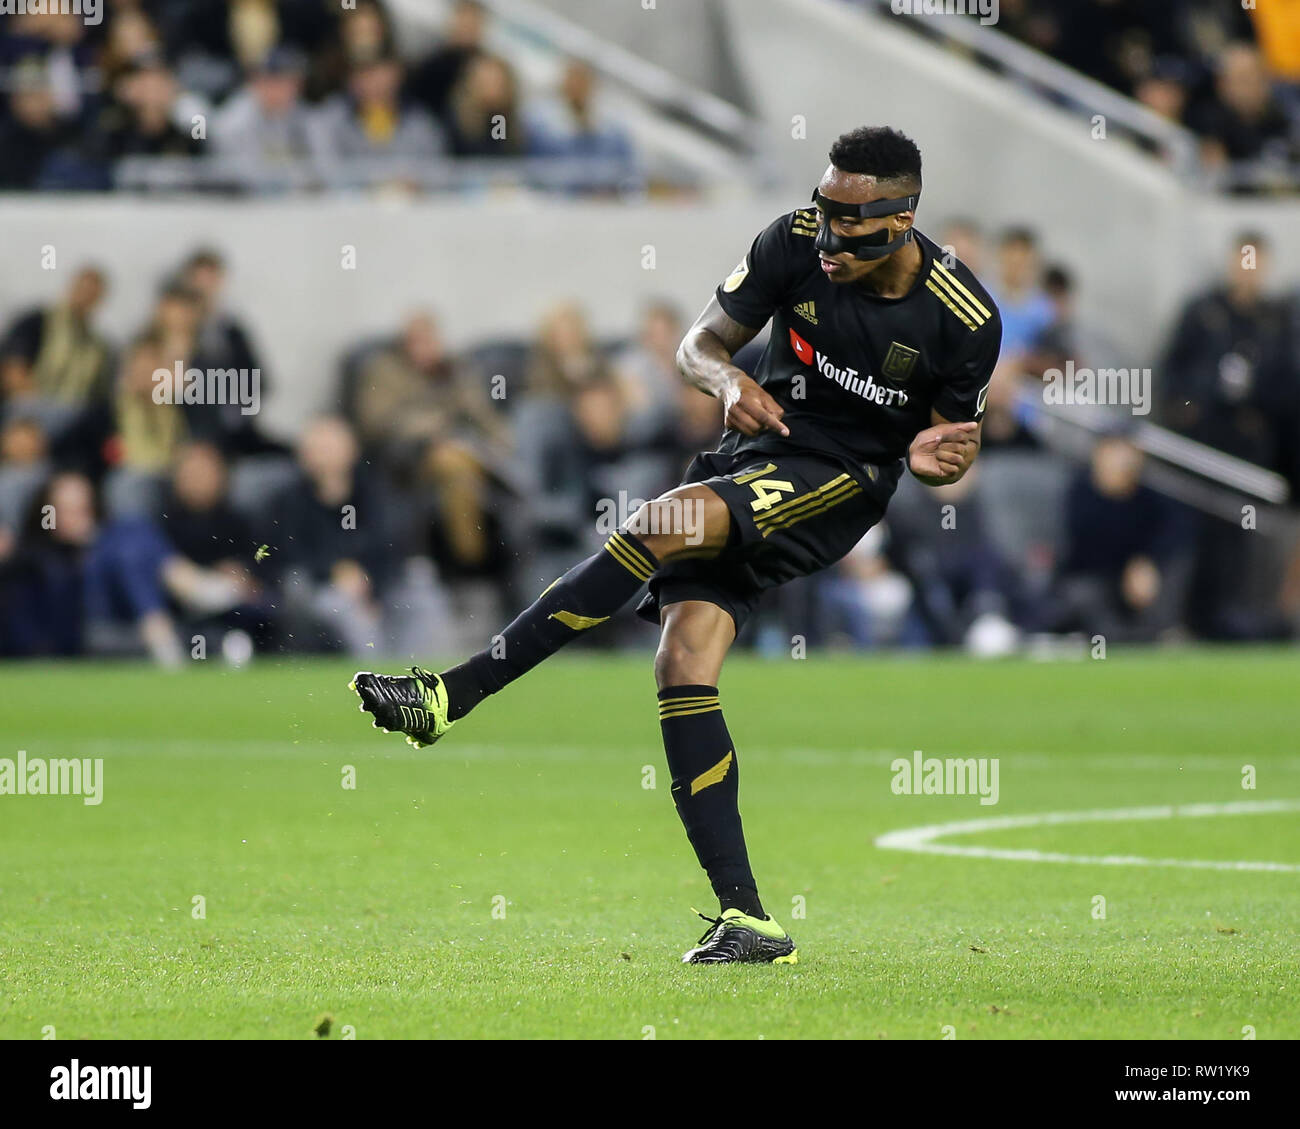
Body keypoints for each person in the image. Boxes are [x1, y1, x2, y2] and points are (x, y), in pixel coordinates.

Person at [349, 126, 1000, 964]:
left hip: (840, 480)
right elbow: (700, 343)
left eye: (850, 220)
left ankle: (451, 695)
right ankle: (749, 919)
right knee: (682, 661)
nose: (829, 235)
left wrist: (938, 461)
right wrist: (726, 379)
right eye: (824, 208)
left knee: (659, 523)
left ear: (902, 219)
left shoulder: (963, 318)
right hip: (749, 453)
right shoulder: (795, 240)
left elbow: (951, 448)